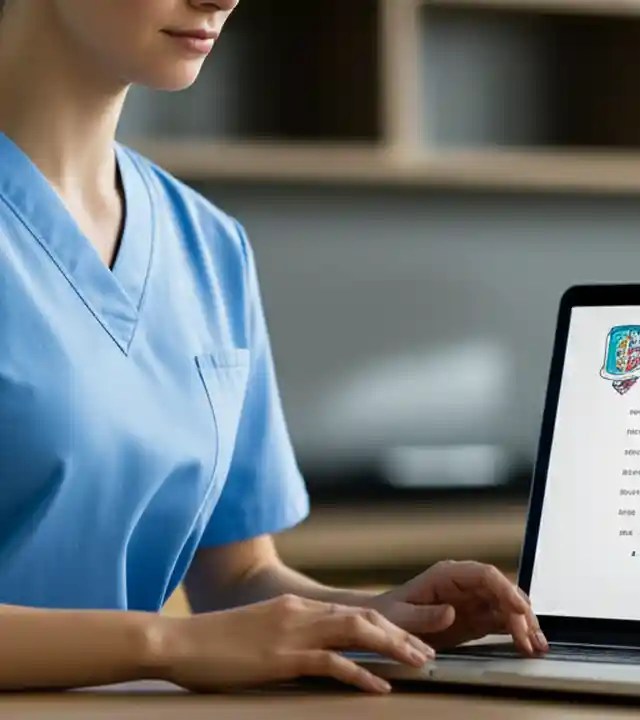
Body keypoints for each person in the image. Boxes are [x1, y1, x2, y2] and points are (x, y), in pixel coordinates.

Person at [0, 0, 547, 694]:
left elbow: (235, 579)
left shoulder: (209, 246)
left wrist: (379, 616)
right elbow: (193, 638)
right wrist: (167, 644)